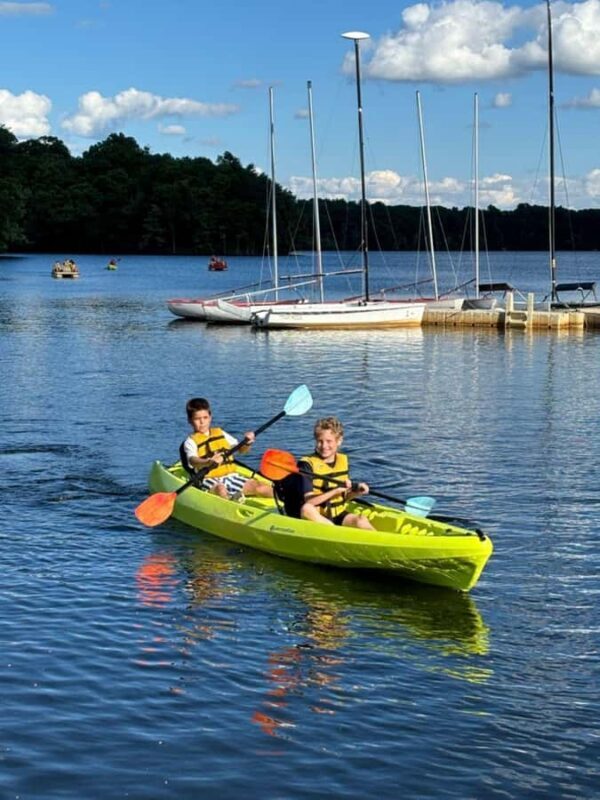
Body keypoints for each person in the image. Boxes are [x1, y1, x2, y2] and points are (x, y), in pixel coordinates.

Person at [278, 416, 374, 529]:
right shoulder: (306, 465)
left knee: (360, 520)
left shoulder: (342, 461)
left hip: (335, 514)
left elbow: (342, 498)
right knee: (307, 509)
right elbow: (310, 501)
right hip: (314, 515)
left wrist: (356, 492)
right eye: (320, 441)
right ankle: (336, 534)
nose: (324, 446)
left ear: (339, 441)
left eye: (329, 441)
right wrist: (336, 490)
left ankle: (380, 542)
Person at [181, 397, 273, 501]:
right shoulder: (190, 441)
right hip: (209, 479)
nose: (202, 422)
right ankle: (230, 502)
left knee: (259, 487)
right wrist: (208, 461)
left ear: (210, 417)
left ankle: (286, 500)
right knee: (221, 490)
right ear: (190, 420)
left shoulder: (220, 433)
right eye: (197, 419)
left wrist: (247, 443)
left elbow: (242, 450)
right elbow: (193, 461)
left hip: (231, 476)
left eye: (205, 417)